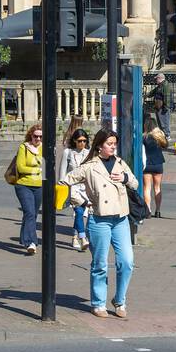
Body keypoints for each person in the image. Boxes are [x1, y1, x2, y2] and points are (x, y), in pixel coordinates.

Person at [61, 128, 140, 318]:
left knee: (127, 262)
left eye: (115, 143)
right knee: (100, 264)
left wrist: (126, 178)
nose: (113, 147)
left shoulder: (120, 163)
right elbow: (65, 182)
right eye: (109, 144)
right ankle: (98, 303)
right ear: (99, 146)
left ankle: (119, 301)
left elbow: (135, 183)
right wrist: (79, 202)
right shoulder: (89, 166)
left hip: (120, 219)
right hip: (99, 219)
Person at [10, 123, 44, 254]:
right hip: (23, 185)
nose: (38, 139)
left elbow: (46, 170)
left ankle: (24, 238)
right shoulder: (23, 147)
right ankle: (32, 242)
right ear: (31, 135)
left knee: (32, 214)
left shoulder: (44, 148)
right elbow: (20, 167)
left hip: (39, 186)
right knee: (29, 212)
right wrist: (36, 170)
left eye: (41, 137)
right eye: (36, 136)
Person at [59, 124, 91, 251]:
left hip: (85, 188)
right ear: (74, 141)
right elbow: (62, 172)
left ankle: (74, 236)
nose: (82, 143)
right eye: (79, 141)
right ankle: (83, 238)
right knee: (78, 211)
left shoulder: (89, 153)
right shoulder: (68, 152)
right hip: (72, 187)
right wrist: (62, 185)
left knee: (81, 214)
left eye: (84, 141)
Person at [142, 127, 167, 217]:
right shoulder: (159, 136)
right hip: (158, 163)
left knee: (147, 188)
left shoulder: (144, 137)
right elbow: (166, 145)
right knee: (157, 188)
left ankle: (148, 210)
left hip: (147, 164)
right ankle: (158, 211)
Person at [150, 75, 172, 140]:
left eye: (156, 79)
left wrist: (166, 107)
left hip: (163, 108)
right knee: (160, 122)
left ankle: (167, 136)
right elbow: (152, 92)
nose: (155, 80)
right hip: (159, 107)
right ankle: (164, 136)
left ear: (159, 78)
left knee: (164, 123)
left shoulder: (165, 85)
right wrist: (146, 95)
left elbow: (167, 97)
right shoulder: (160, 86)